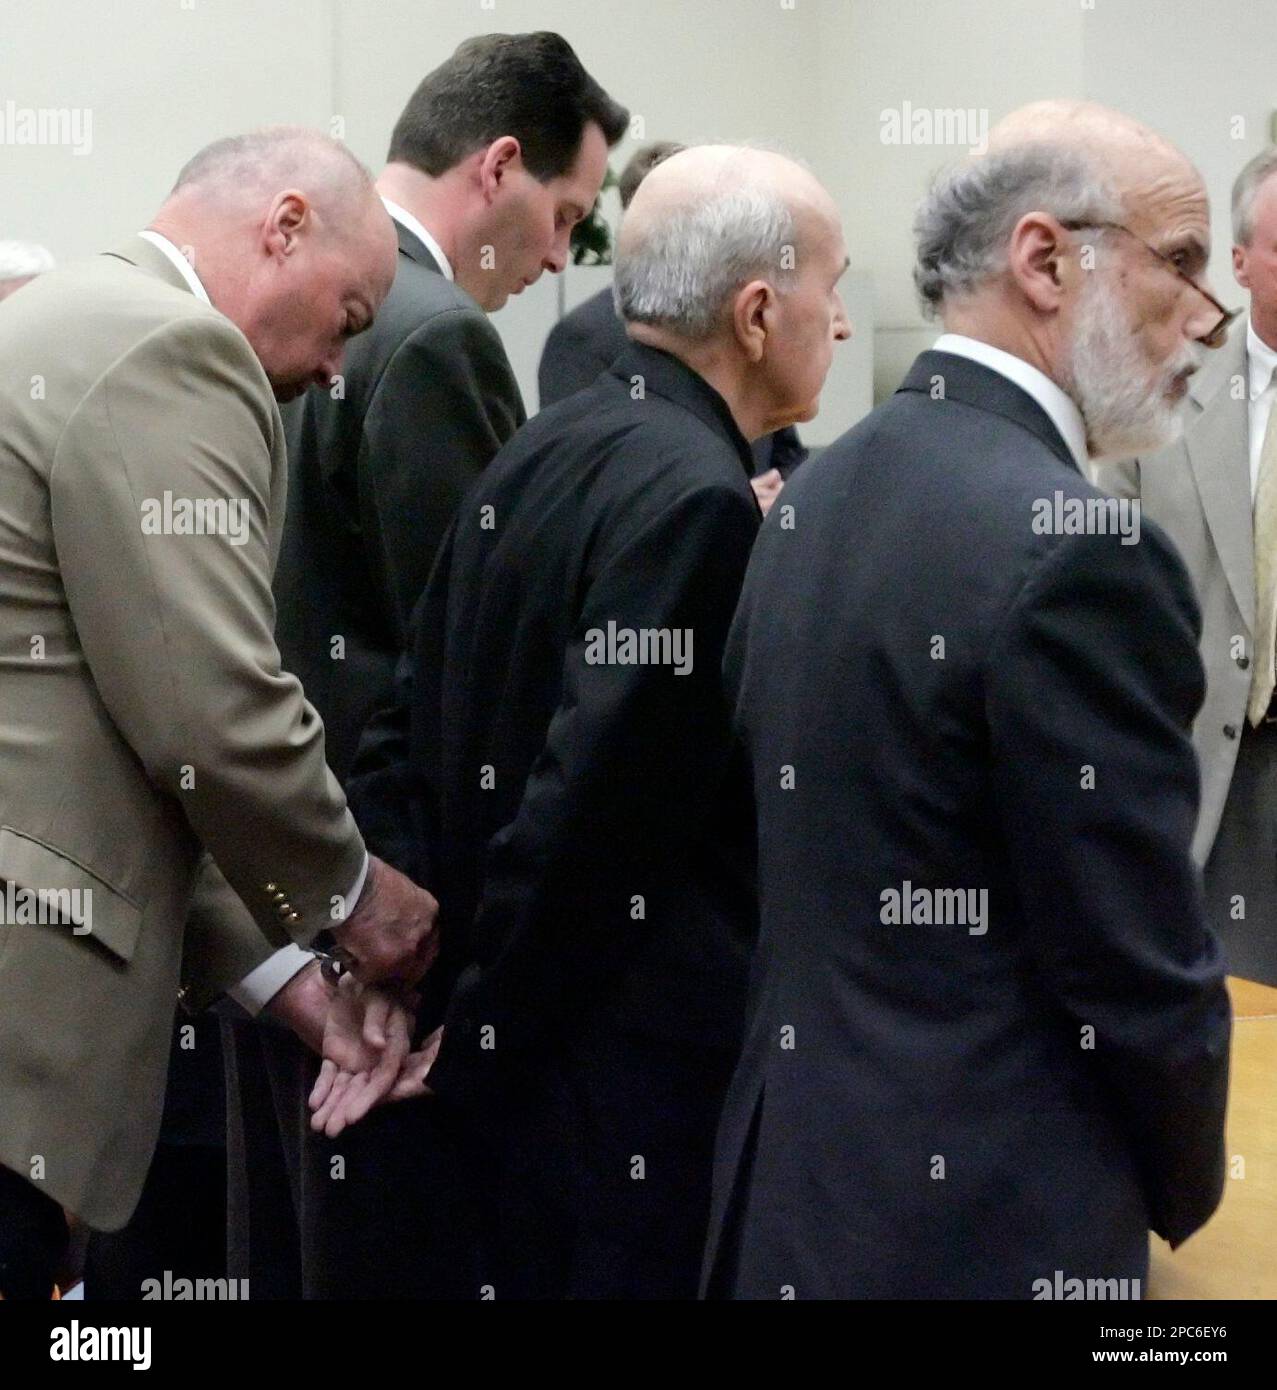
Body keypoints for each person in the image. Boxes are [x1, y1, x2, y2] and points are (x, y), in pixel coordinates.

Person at [703, 101, 1232, 1300]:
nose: (1203, 324)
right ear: (1044, 260)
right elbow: (1132, 962)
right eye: (1182, 266)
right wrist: (1190, 1182)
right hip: (979, 1221)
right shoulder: (1083, 551)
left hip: (790, 1186)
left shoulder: (815, 491)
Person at [342, 144, 850, 1298]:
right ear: (759, 311)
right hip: (603, 1078)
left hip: (498, 1055)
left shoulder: (543, 443)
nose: (846, 323)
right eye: (835, 283)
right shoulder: (702, 504)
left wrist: (403, 976)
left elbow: (402, 722)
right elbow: (588, 817)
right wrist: (474, 1038)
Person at [221, 32, 629, 1299]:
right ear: (499, 166)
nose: (563, 257)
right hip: (373, 907)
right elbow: (469, 674)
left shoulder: (261, 300)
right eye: (562, 214)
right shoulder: (435, 332)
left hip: (257, 895)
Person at [0, 126, 436, 1299]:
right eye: (348, 315)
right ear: (282, 225)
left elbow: (123, 741)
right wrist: (355, 897)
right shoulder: (170, 347)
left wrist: (293, 982)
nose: (340, 368)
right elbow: (213, 720)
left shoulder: (65, 317)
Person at [1096, 146, 1277, 984]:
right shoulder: (1162, 389)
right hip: (1208, 766)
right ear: (1238, 263)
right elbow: (1113, 584)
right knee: (1227, 1026)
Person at [537, 140, 809, 513]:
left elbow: (786, 447)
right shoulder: (581, 336)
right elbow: (580, 476)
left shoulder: (745, 318)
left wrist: (785, 499)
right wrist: (728, 497)